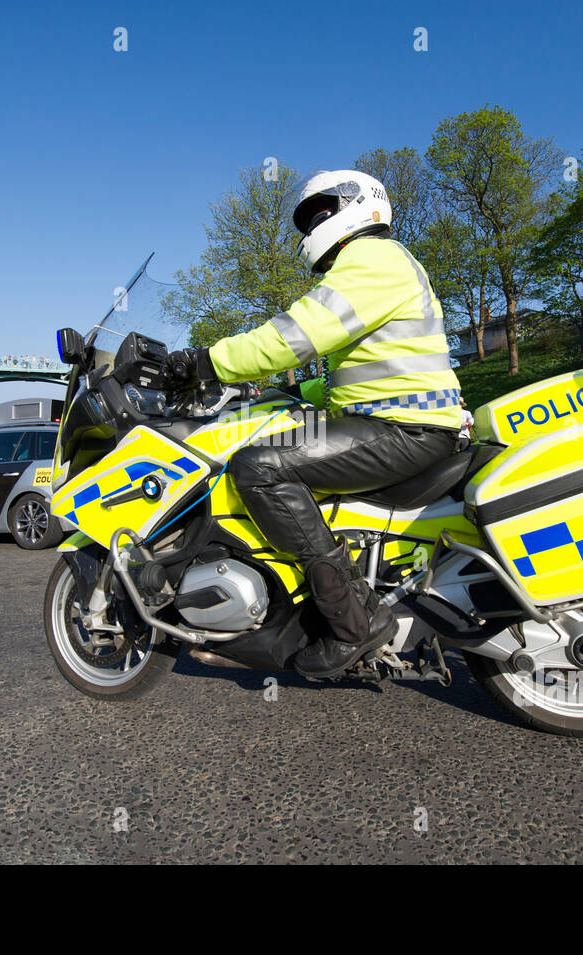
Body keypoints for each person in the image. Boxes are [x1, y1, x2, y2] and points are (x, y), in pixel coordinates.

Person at [164, 169, 461, 679]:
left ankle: (352, 622)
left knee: (259, 467)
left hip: (404, 431)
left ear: (357, 206)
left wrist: (204, 362)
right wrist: (297, 395)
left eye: (320, 213)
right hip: (402, 423)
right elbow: (375, 373)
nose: (311, 228)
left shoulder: (371, 258)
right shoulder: (385, 263)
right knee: (280, 450)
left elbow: (293, 337)